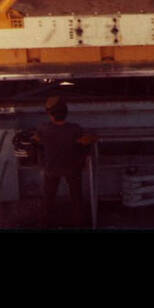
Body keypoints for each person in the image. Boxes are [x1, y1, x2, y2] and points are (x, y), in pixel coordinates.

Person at [34, 95, 96, 227]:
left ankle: (46, 223)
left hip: (51, 169)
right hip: (73, 169)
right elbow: (88, 139)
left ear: (51, 114)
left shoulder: (44, 129)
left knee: (48, 198)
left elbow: (36, 139)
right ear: (66, 113)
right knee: (76, 198)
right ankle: (80, 223)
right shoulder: (75, 129)